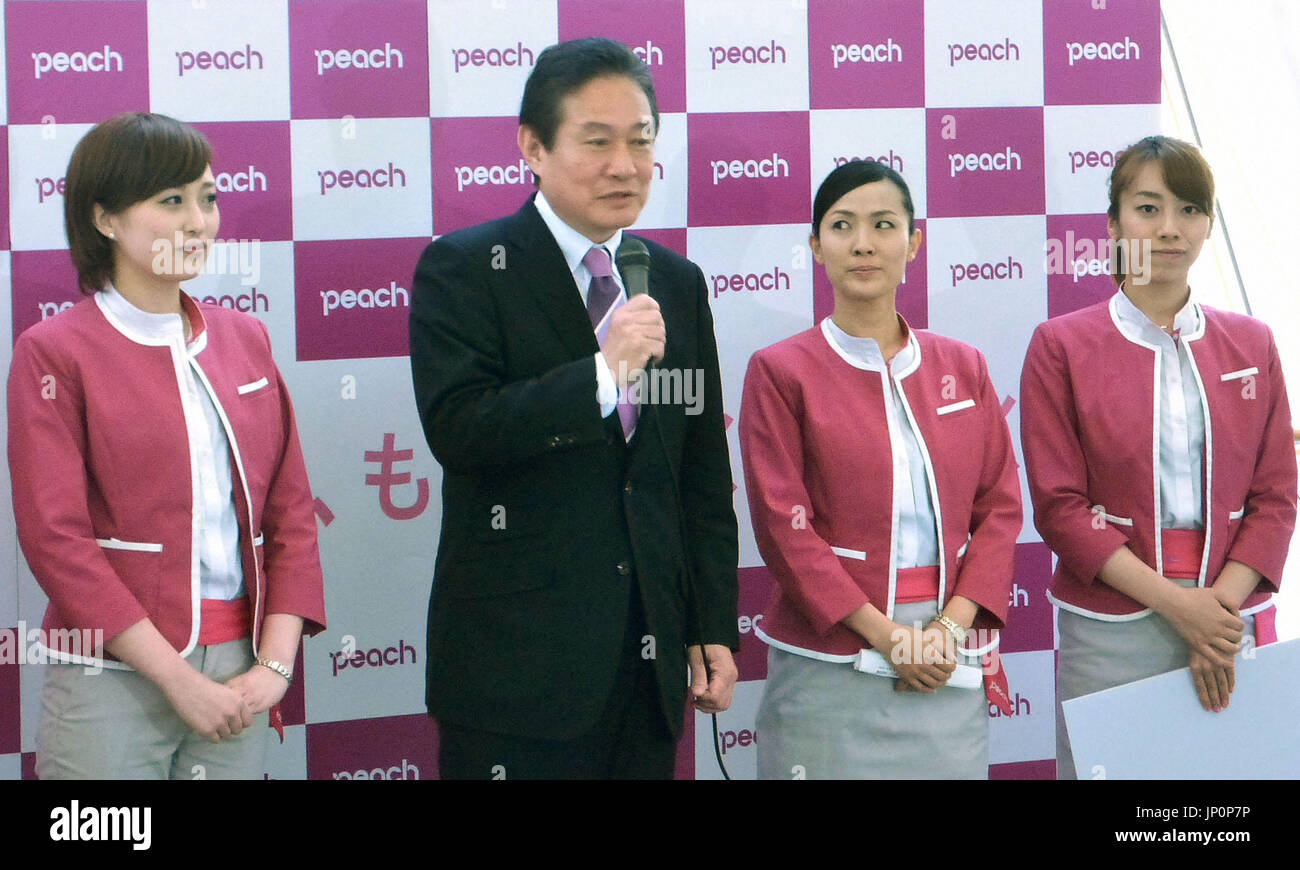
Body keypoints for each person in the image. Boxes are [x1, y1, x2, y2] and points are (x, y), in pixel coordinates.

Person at [409, 37, 739, 780]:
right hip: (516, 672)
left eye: (641, 141)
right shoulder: (466, 267)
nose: (624, 165)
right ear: (533, 147)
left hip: (647, 662)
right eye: (596, 142)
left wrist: (711, 621)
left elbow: (698, 472)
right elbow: (460, 430)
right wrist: (602, 372)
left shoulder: (674, 281)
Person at [7, 112, 326, 779]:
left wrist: (273, 664)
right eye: (171, 201)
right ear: (104, 220)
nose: (198, 221)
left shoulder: (246, 339)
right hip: (112, 676)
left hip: (240, 672)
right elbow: (56, 538)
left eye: (207, 198)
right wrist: (178, 682)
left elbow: (290, 512)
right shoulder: (54, 353)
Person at [1019, 135, 1296, 779]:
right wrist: (1182, 609)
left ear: (1208, 223)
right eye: (1147, 208)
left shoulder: (1252, 343)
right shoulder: (1061, 345)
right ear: (1113, 223)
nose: (1170, 228)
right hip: (1113, 627)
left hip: (1233, 623)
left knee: (1221, 810)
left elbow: (1276, 495)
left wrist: (1217, 612)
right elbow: (1060, 508)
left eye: (1189, 209)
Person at [738, 160, 1022, 779]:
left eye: (883, 224)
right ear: (816, 247)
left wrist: (947, 629)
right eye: (842, 226)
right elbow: (786, 528)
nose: (863, 242)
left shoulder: (963, 364)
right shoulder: (781, 371)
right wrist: (888, 637)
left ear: (913, 243)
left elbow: (1000, 509)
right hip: (831, 660)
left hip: (949, 654)